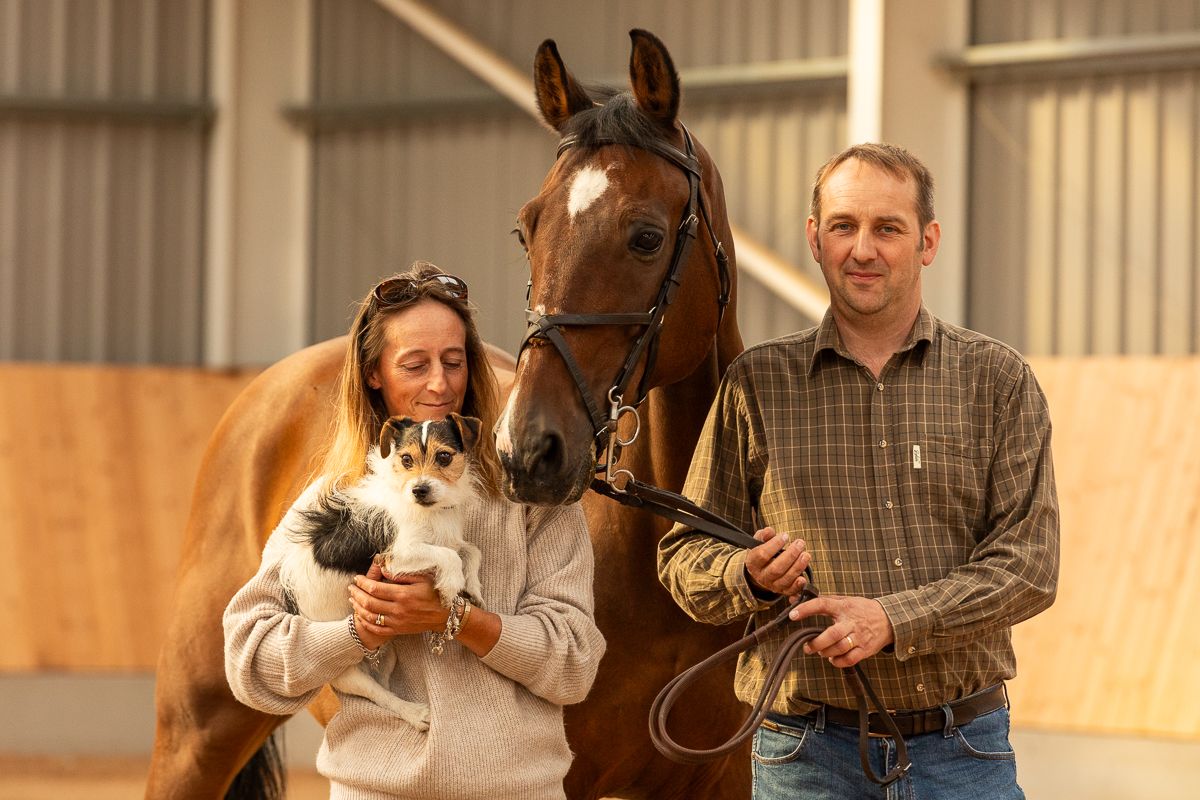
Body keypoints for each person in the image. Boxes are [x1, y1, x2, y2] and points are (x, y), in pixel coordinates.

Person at [656, 143, 1058, 799]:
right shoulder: (756, 386)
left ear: (927, 242)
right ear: (816, 240)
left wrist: (894, 619)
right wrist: (747, 575)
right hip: (805, 756)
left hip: (964, 753)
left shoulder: (997, 381)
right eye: (843, 226)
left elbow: (1030, 565)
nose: (862, 249)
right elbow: (683, 556)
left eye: (887, 228)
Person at [224, 261, 606, 799]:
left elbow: (574, 663)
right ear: (374, 373)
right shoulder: (338, 499)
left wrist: (457, 618)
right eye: (414, 364)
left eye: (454, 362)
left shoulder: (532, 502)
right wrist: (358, 632)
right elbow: (250, 661)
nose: (439, 383)